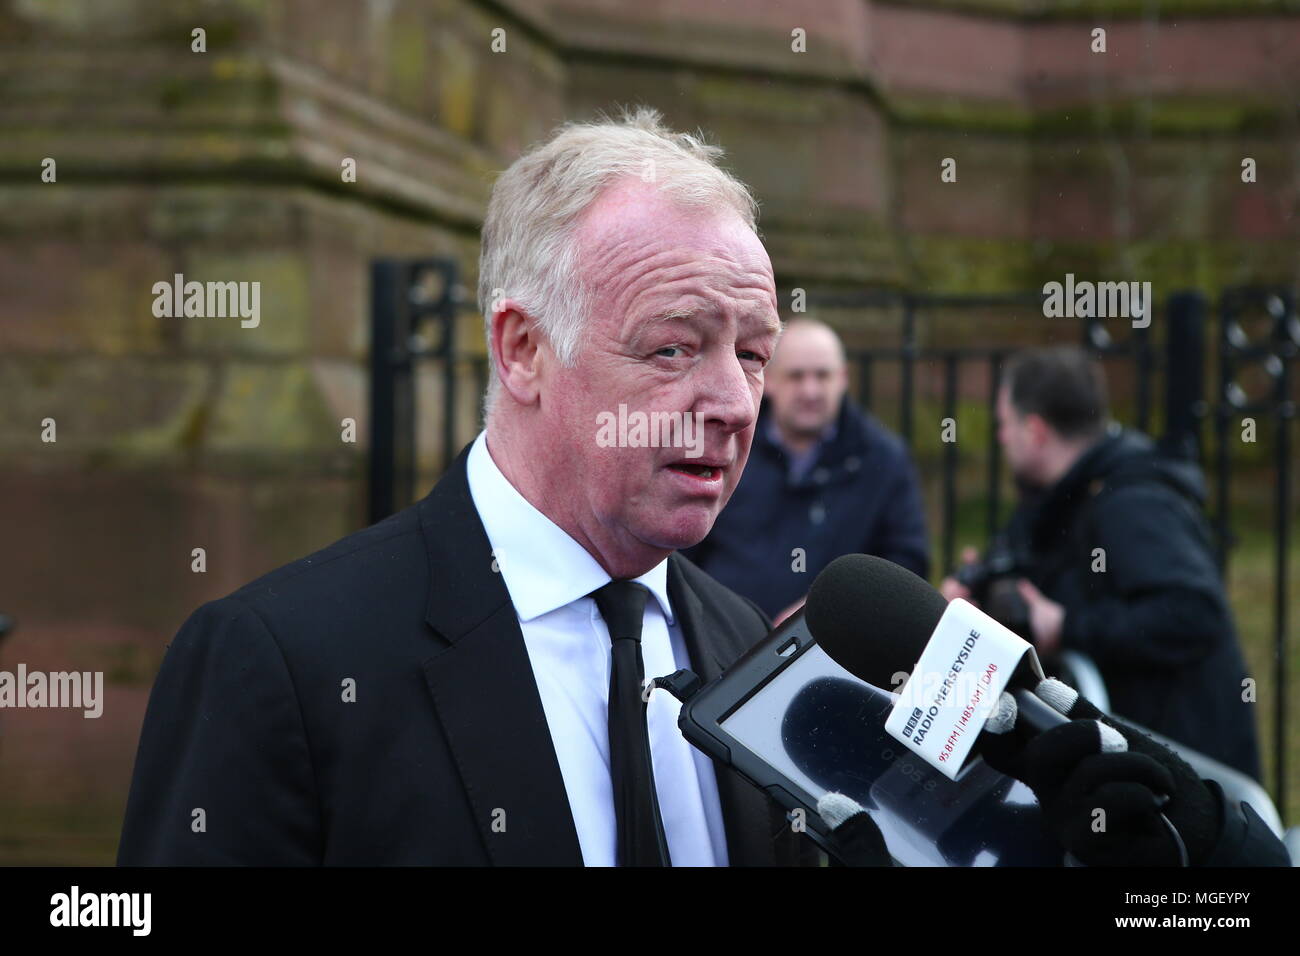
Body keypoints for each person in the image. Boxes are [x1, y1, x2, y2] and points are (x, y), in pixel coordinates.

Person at [117, 107, 813, 866]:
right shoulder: (282, 663)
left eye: (751, 353)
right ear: (522, 349)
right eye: (674, 347)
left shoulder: (743, 640)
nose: (737, 404)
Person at [942, 346, 1262, 781]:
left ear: (1035, 430)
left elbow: (1195, 613)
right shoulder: (1061, 498)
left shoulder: (1133, 502)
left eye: (1004, 424)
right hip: (1133, 763)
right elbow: (1050, 580)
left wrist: (1068, 627)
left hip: (1184, 778)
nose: (1001, 438)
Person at [684, 318, 928, 622]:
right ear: (769, 379)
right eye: (797, 376)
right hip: (720, 641)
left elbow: (908, 564)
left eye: (822, 376)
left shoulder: (883, 459)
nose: (810, 390)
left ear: (843, 378)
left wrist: (830, 609)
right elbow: (684, 549)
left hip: (833, 647)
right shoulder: (726, 445)